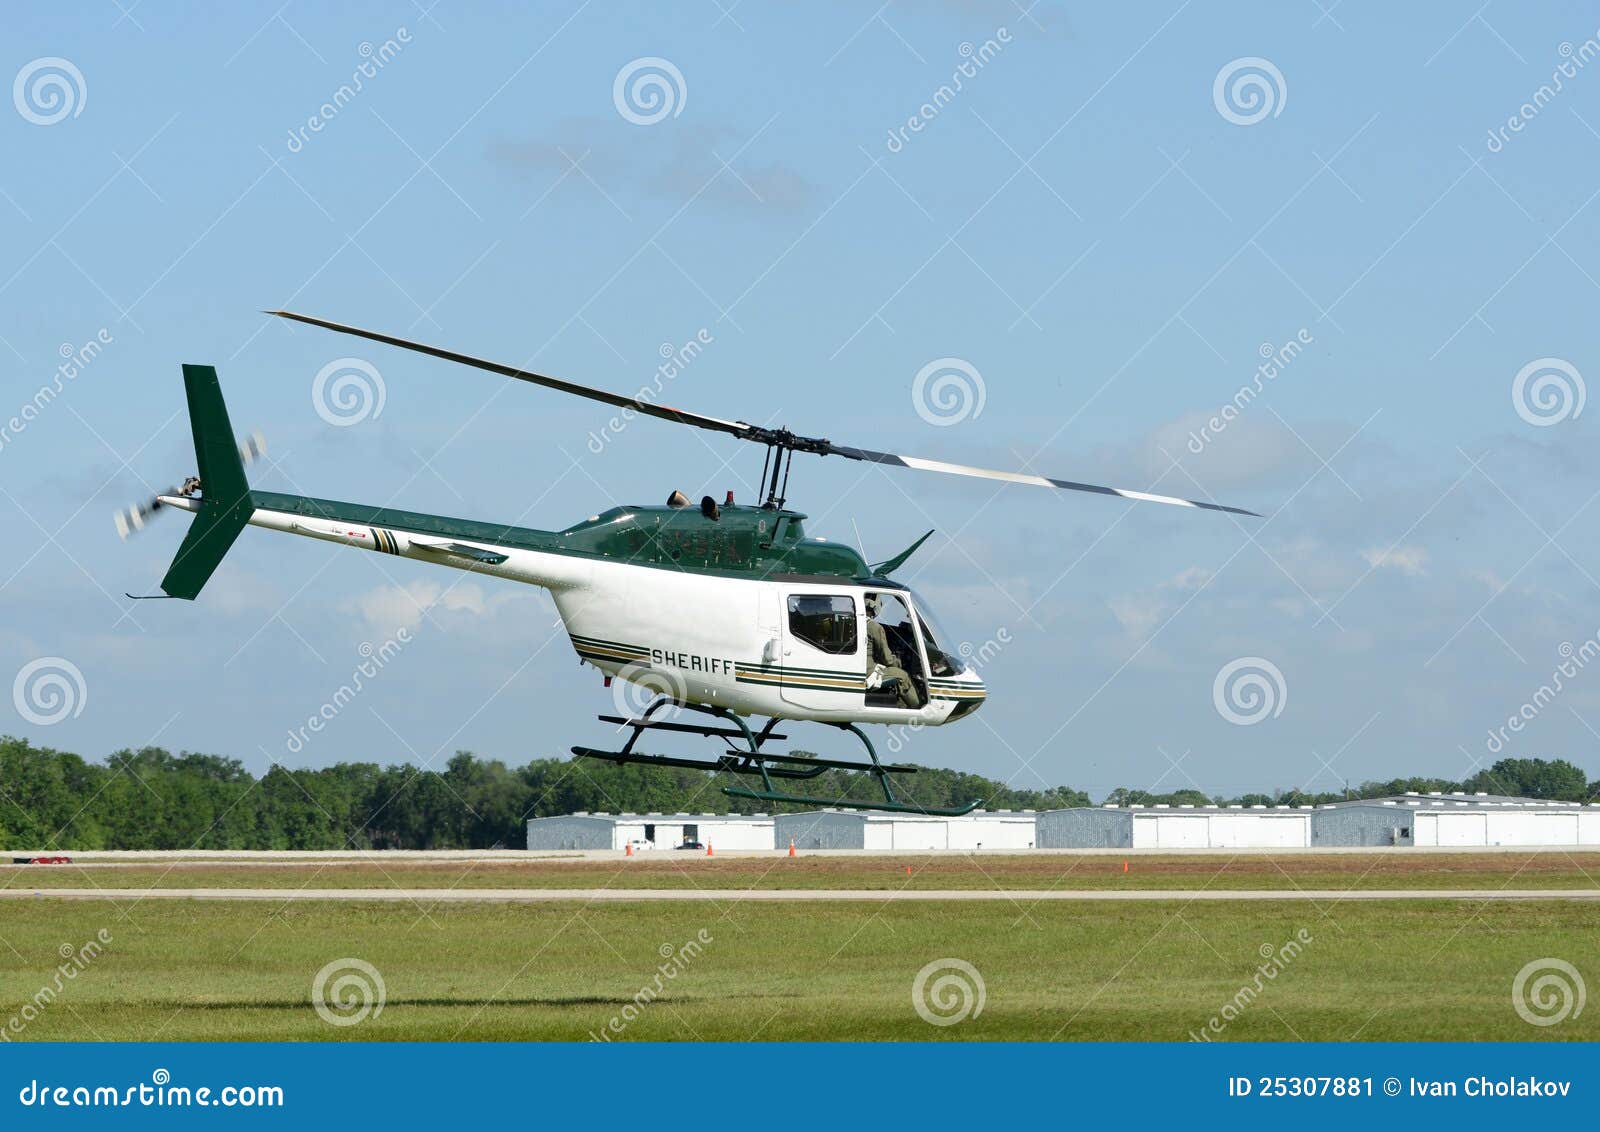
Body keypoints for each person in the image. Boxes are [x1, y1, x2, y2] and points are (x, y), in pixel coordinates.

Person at [865, 594, 921, 709]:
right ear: (875, 606)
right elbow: (887, 659)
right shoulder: (874, 627)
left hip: (858, 669)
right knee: (902, 676)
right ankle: (918, 707)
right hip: (867, 672)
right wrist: (899, 662)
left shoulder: (853, 622)